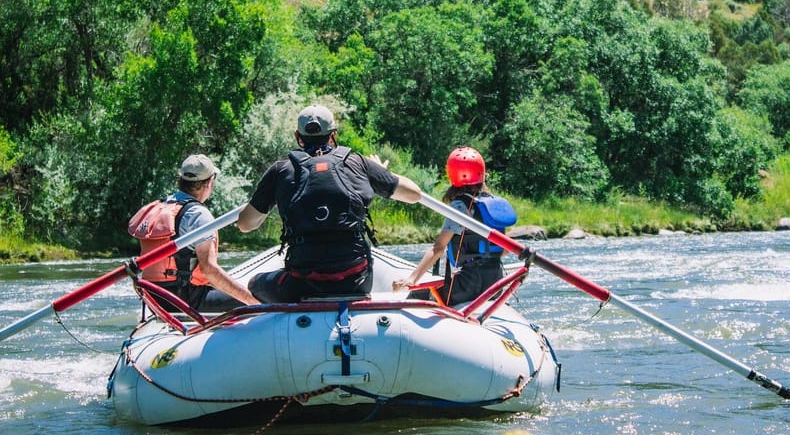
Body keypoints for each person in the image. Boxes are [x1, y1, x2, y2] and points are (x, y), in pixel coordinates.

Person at [238, 104, 423, 302]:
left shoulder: (280, 171)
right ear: (333, 135)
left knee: (254, 283)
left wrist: (271, 195)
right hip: (357, 280)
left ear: (297, 136)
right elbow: (414, 194)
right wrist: (379, 171)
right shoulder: (358, 163)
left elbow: (245, 225)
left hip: (302, 284)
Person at [129, 154, 259, 312]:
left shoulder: (162, 206)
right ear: (209, 183)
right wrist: (252, 300)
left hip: (155, 299)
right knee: (259, 295)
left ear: (181, 180)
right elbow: (209, 271)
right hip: (186, 300)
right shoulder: (198, 215)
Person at [392, 146, 516, 305]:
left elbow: (438, 248)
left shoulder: (460, 205)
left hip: (470, 285)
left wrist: (412, 279)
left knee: (418, 295)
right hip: (496, 283)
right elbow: (504, 251)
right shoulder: (493, 204)